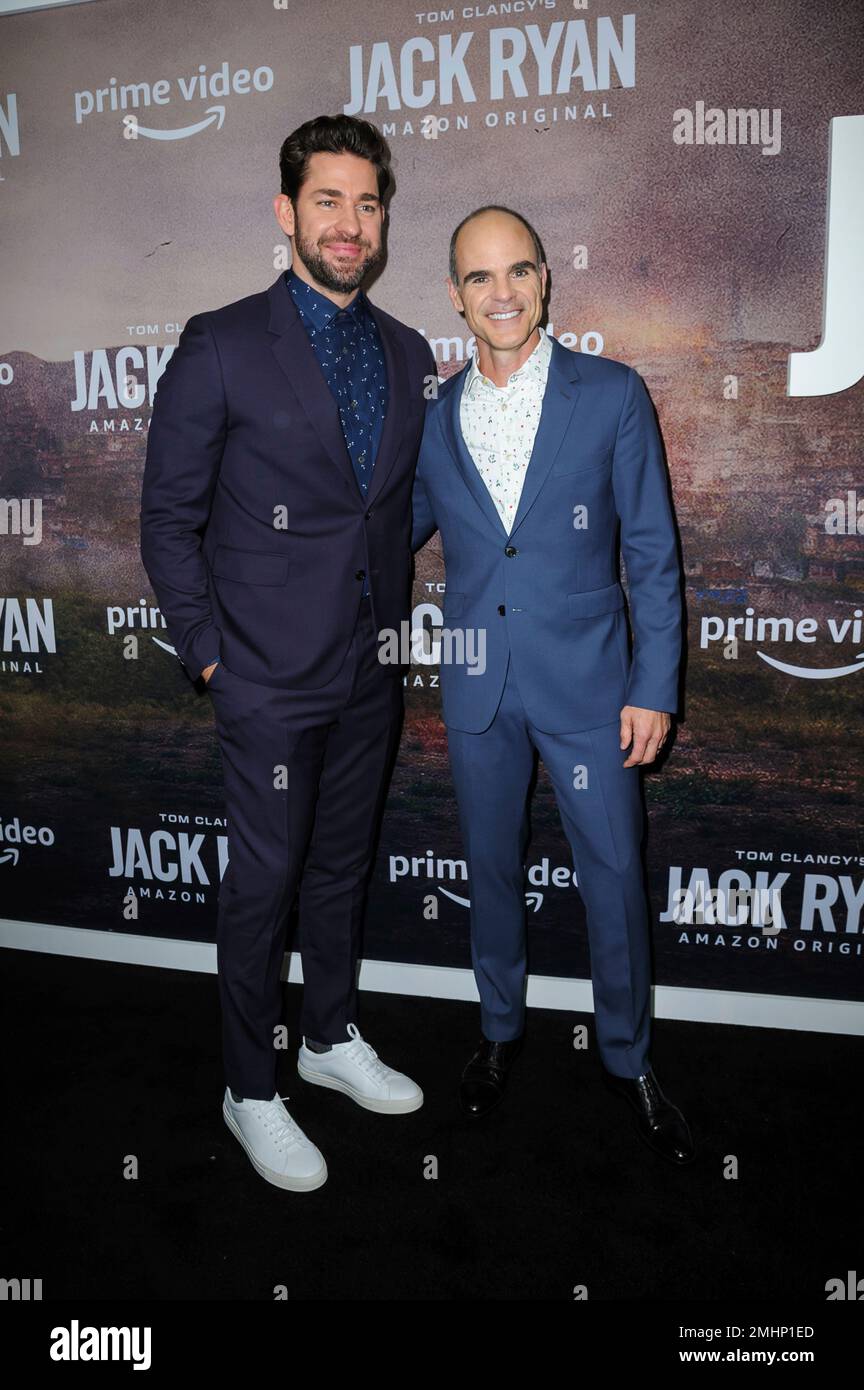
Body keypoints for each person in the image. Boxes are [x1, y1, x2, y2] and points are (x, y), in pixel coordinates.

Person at [141, 115, 435, 1192]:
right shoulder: (221, 341)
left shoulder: (408, 353)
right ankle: (249, 1086)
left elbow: (389, 512)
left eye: (366, 203)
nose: (348, 223)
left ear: (383, 218)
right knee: (262, 883)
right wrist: (214, 656)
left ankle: (328, 1035)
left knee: (341, 866)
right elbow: (167, 518)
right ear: (286, 212)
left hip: (367, 672)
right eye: (328, 201)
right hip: (264, 675)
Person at [411, 205, 694, 1164]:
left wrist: (654, 684)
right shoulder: (435, 419)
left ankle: (628, 1057)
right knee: (489, 874)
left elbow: (652, 552)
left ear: (545, 281)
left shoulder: (612, 394)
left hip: (590, 688)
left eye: (519, 272)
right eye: (480, 278)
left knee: (613, 876)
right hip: (479, 687)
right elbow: (384, 533)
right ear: (455, 296)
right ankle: (497, 1035)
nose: (502, 293)